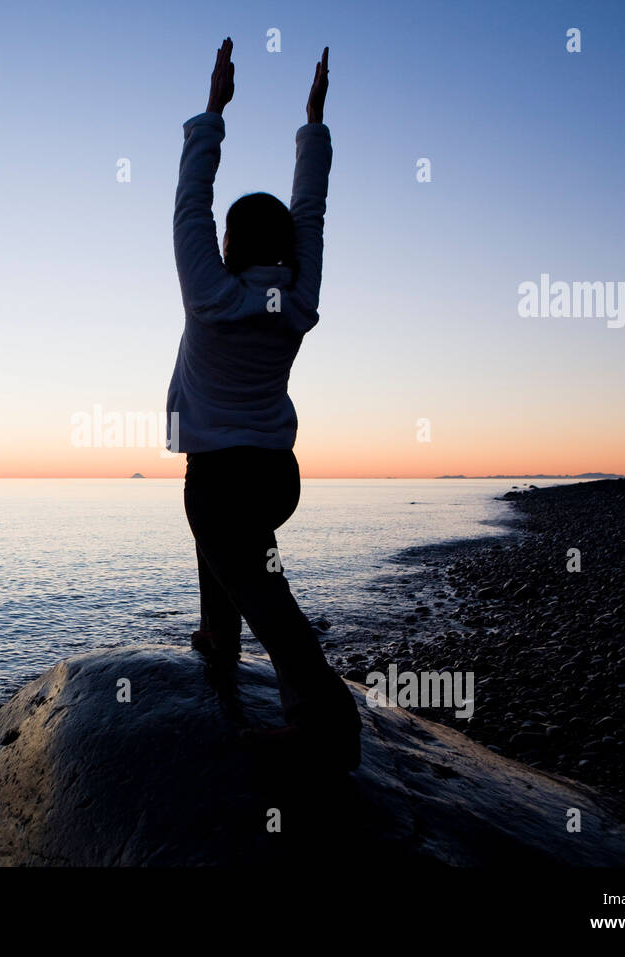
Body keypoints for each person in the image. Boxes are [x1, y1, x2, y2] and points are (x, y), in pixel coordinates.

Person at [166, 38, 360, 768]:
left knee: (267, 597)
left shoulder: (211, 296)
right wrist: (312, 123)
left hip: (222, 481)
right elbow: (310, 207)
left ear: (229, 244)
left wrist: (214, 109)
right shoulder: (297, 302)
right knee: (249, 556)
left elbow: (191, 197)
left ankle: (326, 722)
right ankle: (219, 632)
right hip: (276, 475)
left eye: (220, 236)